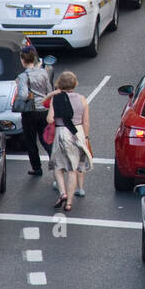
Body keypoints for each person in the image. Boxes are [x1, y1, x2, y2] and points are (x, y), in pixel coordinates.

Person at [47, 71, 92, 211]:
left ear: (59, 84)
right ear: (75, 84)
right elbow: (86, 122)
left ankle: (63, 193)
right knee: (73, 169)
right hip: (78, 133)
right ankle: (69, 203)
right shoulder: (82, 99)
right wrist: (85, 138)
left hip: (62, 133)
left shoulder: (56, 99)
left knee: (58, 167)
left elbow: (49, 119)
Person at [16, 49, 54, 176]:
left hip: (30, 112)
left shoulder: (22, 77)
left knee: (31, 141)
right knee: (46, 139)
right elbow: (49, 90)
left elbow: (23, 95)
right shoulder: (44, 72)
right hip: (44, 109)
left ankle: (36, 167)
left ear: (23, 60)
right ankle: (55, 163)